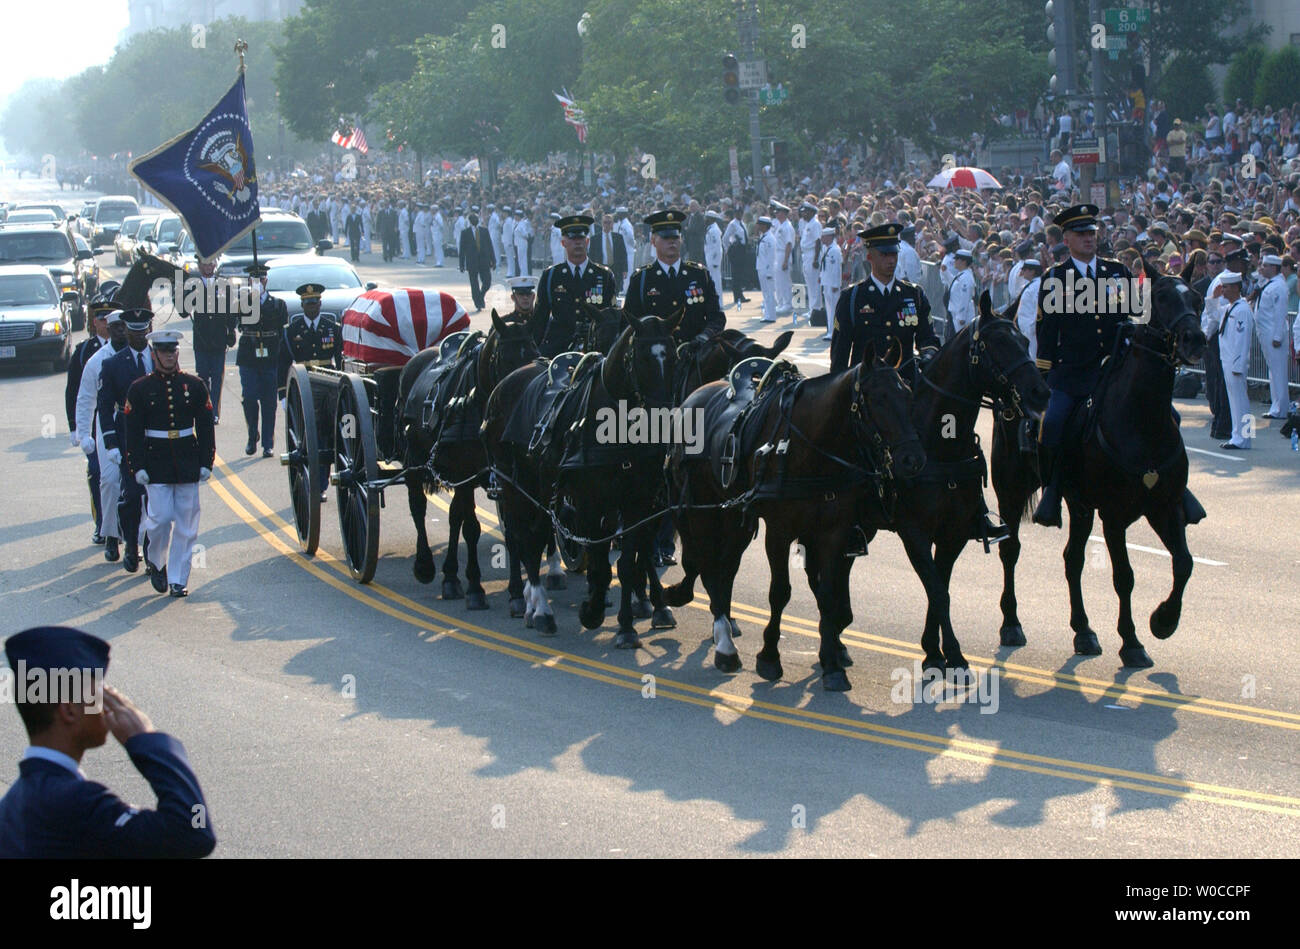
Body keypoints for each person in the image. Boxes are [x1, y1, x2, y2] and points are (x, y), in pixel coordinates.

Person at [1034, 204, 1205, 524]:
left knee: (1171, 416)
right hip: (1073, 371)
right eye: (1081, 234)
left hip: (1115, 369)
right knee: (1053, 422)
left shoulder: (1117, 273)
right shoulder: (1055, 278)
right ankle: (1053, 489)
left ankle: (1179, 488)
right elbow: (1046, 331)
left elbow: (1138, 316)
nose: (1089, 239)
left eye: (1092, 233)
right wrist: (1045, 374)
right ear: (1067, 238)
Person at [0, 625, 216, 858]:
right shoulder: (76, 802)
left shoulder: (14, 801)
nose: (108, 708)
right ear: (70, 710)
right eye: (101, 695)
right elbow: (195, 829)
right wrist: (148, 741)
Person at [122, 329, 215, 597]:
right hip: (156, 461)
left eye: (173, 351)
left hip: (186, 459)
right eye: (164, 352)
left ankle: (178, 578)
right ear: (154, 355)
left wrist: (206, 461)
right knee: (160, 520)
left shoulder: (194, 385)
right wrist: (137, 466)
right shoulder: (140, 388)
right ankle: (156, 559)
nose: (170, 356)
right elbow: (133, 432)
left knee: (187, 524)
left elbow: (206, 426)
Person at [96, 308, 155, 574]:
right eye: (135, 332)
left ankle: (153, 549)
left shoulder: (160, 358)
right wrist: (110, 443)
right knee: (131, 496)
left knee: (157, 499)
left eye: (144, 331)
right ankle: (131, 544)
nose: (140, 337)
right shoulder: (112, 364)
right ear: (127, 333)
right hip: (127, 436)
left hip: (156, 437)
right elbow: (105, 406)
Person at [277, 283, 344, 499]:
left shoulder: (333, 327)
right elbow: (283, 363)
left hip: (329, 382)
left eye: (314, 303)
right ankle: (314, 483)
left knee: (330, 432)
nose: (311, 307)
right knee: (311, 435)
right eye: (307, 304)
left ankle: (324, 482)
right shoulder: (291, 331)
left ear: (320, 304)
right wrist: (283, 394)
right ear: (302, 305)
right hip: (304, 383)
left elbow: (341, 360)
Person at [77, 306, 129, 562]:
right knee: (109, 481)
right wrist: (83, 432)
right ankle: (110, 535)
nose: (120, 331)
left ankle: (136, 539)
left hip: (135, 424)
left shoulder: (142, 356)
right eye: (116, 327)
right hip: (107, 422)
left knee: (139, 485)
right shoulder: (96, 361)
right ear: (108, 330)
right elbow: (85, 398)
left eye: (124, 326)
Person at [529, 214, 617, 357]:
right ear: (563, 242)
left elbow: (611, 318)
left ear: (587, 241)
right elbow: (540, 318)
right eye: (572, 238)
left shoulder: (604, 275)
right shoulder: (551, 276)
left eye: (581, 238)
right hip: (558, 347)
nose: (578, 243)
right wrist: (534, 352)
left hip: (594, 347)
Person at [66, 296, 112, 544]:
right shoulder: (85, 350)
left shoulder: (127, 348)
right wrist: (76, 428)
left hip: (118, 419)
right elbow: (73, 391)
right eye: (101, 319)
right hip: (94, 421)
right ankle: (101, 523)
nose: (105, 323)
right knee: (97, 472)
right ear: (94, 322)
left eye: (110, 319)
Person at [236, 263, 288, 458]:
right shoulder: (242, 303)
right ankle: (252, 435)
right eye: (254, 280)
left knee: (269, 401)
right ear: (249, 282)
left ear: (266, 281)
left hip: (270, 354)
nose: (258, 283)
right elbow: (237, 321)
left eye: (261, 280)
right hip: (249, 354)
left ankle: (267, 443)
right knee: (249, 397)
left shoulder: (278, 304)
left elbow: (283, 332)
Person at [186, 258, 237, 426]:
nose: (207, 267)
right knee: (202, 377)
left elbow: (231, 310)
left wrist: (231, 331)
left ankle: (214, 411)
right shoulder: (192, 285)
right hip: (201, 338)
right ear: (199, 266)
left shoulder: (224, 285)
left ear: (215, 265)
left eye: (210, 264)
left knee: (217, 377)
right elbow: (183, 311)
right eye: (204, 264)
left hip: (218, 338)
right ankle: (204, 409)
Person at [1217, 271, 1254, 450]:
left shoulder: (1242, 309)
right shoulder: (1229, 307)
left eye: (1225, 287)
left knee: (1241, 401)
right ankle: (1238, 435)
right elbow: (1213, 315)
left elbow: (1242, 340)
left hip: (1235, 361)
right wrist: (1212, 298)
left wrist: (1238, 364)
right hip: (1227, 359)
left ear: (1235, 288)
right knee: (1235, 402)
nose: (1222, 290)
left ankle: (1245, 438)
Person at [1253, 253, 1291, 419]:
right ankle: (1277, 405)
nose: (1263, 268)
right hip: (1266, 333)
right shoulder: (1270, 284)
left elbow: (1280, 313)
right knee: (1273, 372)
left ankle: (1281, 408)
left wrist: (1277, 336)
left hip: (1274, 334)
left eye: (1266, 266)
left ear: (1274, 268)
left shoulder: (1279, 287)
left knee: (1278, 372)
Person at [459, 212, 495, 312]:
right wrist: (461, 264)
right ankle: (478, 302)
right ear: (470, 221)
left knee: (487, 282)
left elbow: (490, 246)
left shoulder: (484, 231)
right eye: (473, 219)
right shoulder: (465, 233)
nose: (475, 220)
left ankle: (481, 295)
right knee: (474, 284)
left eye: (476, 218)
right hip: (472, 262)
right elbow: (462, 250)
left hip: (484, 261)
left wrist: (493, 260)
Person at [722, 207, 752, 310]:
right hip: (736, 249)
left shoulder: (742, 223)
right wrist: (727, 249)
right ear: (735, 214)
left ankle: (740, 295)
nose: (739, 215)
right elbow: (725, 237)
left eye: (741, 213)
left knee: (740, 273)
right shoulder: (732, 224)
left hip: (742, 250)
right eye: (737, 213)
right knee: (736, 273)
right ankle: (737, 296)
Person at [590, 213, 629, 290]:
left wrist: (625, 269)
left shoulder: (618, 237)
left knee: (615, 291)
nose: (607, 224)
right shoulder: (595, 239)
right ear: (602, 223)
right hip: (601, 267)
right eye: (605, 222)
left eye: (609, 222)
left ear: (612, 224)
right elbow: (592, 255)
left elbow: (623, 254)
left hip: (616, 268)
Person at [797, 202, 822, 324]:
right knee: (809, 284)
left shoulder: (815, 224)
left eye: (805, 211)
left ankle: (816, 310)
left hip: (812, 254)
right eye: (802, 211)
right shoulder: (808, 224)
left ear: (812, 212)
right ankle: (812, 309)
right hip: (806, 254)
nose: (803, 214)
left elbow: (818, 241)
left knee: (814, 284)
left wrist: (816, 259)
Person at [817, 224, 843, 342]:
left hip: (832, 284)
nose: (821, 239)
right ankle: (830, 331)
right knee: (829, 309)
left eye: (823, 236)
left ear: (829, 237)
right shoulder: (826, 248)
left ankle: (833, 332)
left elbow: (837, 269)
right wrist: (820, 276)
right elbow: (824, 266)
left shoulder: (835, 250)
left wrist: (836, 285)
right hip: (826, 282)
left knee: (833, 309)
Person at [771, 201, 795, 315]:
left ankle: (787, 303)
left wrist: (785, 260)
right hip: (778, 254)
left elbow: (789, 244)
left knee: (785, 281)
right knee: (778, 281)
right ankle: (780, 303)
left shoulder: (787, 226)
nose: (776, 214)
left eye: (778, 212)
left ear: (784, 213)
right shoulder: (780, 225)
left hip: (783, 254)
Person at [948, 248, 978, 334]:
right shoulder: (961, 274)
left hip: (963, 316)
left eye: (957, 259)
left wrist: (962, 316)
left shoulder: (966, 278)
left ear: (964, 261)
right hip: (957, 313)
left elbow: (965, 297)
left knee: (964, 340)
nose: (955, 261)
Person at [755, 216, 778, 321]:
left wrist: (769, 272)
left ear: (764, 226)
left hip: (766, 269)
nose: (758, 226)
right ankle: (768, 314)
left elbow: (771, 257)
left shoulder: (769, 239)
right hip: (761, 267)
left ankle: (771, 316)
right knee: (765, 293)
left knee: (769, 293)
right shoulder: (763, 236)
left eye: (759, 224)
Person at [704, 210, 725, 305]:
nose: (705, 219)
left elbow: (717, 246)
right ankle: (715, 301)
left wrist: (716, 261)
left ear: (711, 219)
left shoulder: (714, 230)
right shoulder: (710, 228)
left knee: (716, 281)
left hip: (713, 259)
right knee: (713, 280)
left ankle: (718, 302)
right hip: (710, 257)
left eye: (706, 218)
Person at [513, 207, 533, 277]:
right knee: (521, 260)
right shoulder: (518, 223)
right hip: (519, 244)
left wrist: (523, 235)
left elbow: (526, 234)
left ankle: (524, 274)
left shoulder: (522, 223)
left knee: (523, 260)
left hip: (522, 243)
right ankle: (523, 274)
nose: (514, 217)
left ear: (518, 216)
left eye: (516, 215)